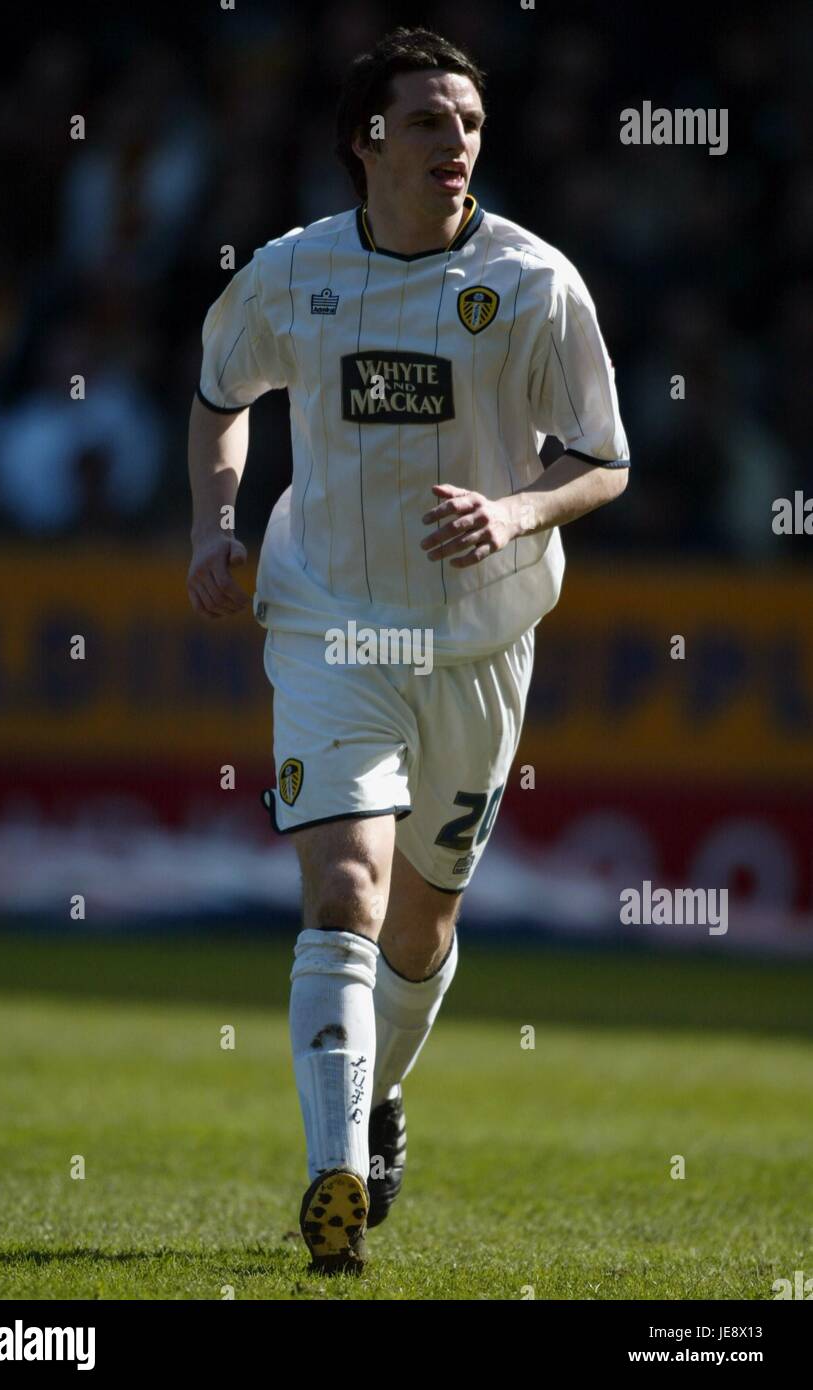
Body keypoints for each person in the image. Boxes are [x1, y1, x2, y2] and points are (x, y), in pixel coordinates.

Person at [187, 26, 629, 1274]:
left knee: (422, 926)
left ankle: (375, 1102)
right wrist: (214, 526)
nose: (455, 146)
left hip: (480, 636)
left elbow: (604, 456)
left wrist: (515, 508)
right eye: (429, 123)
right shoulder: (290, 274)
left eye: (470, 125)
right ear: (363, 141)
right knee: (344, 893)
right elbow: (222, 393)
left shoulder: (534, 283)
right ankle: (330, 1177)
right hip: (330, 620)